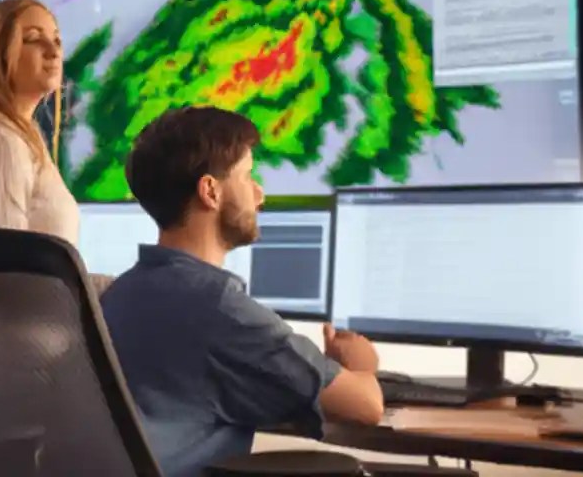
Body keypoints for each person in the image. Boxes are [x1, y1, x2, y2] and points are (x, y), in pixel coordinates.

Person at [101, 106, 385, 477]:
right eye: (247, 176)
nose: (259, 193)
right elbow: (365, 406)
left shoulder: (117, 296)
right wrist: (363, 364)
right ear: (210, 191)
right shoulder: (220, 311)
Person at [0, 0, 114, 284]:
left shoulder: (14, 137)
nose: (53, 52)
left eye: (56, 40)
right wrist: (118, 290)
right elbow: (8, 281)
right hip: (23, 326)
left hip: (39, 322)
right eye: (32, 39)